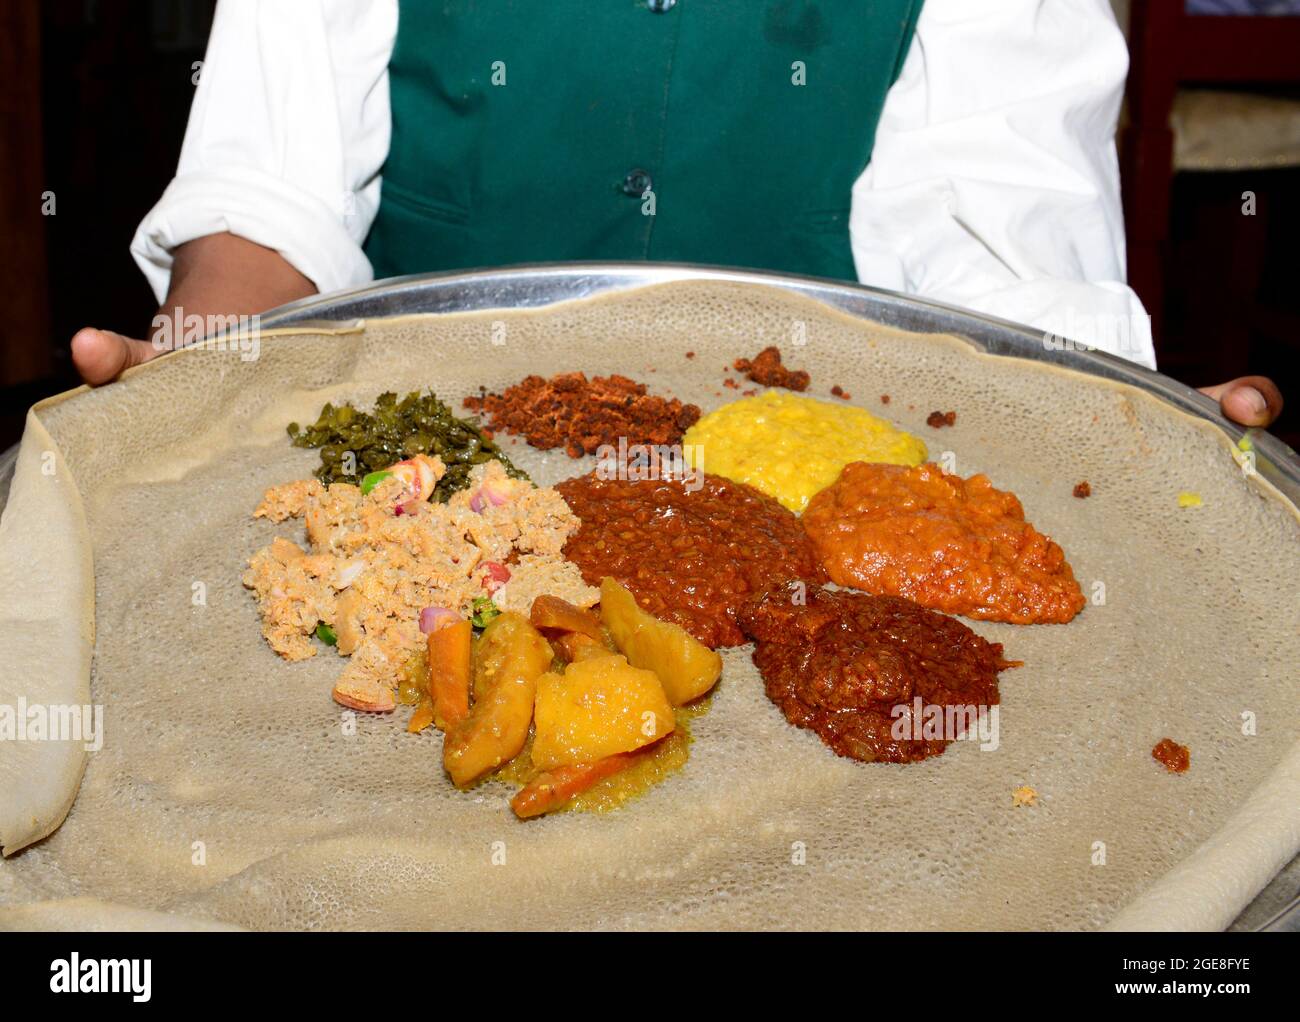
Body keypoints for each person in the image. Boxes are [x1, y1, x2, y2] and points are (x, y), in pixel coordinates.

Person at [70, 0, 1281, 426]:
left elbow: (995, 261)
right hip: (421, 472)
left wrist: (1123, 430)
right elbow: (267, 209)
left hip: (818, 467)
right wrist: (196, 385)